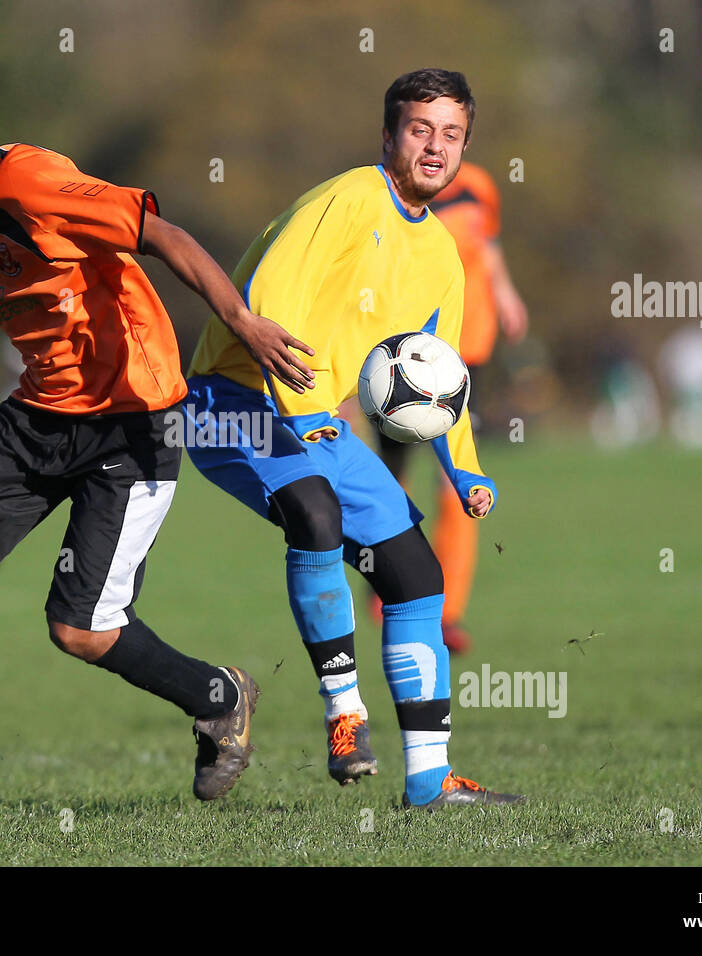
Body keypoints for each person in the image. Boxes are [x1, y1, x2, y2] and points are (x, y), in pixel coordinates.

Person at [0, 77, 315, 818]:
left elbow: (162, 235)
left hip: (133, 418)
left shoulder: (38, 184)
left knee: (80, 629)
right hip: (39, 416)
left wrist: (243, 321)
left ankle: (221, 696)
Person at [186, 69, 523, 808]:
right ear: (388, 136)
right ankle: (345, 715)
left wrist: (462, 469)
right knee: (315, 512)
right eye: (420, 130)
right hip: (228, 402)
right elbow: (269, 301)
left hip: (317, 422)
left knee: (416, 576)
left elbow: (441, 379)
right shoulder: (345, 199)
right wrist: (305, 413)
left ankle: (432, 783)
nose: (435, 147)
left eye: (452, 135)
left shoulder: (439, 255)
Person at [365, 161, 529, 652]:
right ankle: (385, 584)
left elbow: (489, 246)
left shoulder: (480, 184)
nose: (439, 144)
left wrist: (505, 294)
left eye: (452, 132)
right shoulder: (389, 191)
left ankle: (447, 610)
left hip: (464, 353)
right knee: (390, 477)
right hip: (404, 357)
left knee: (458, 478)